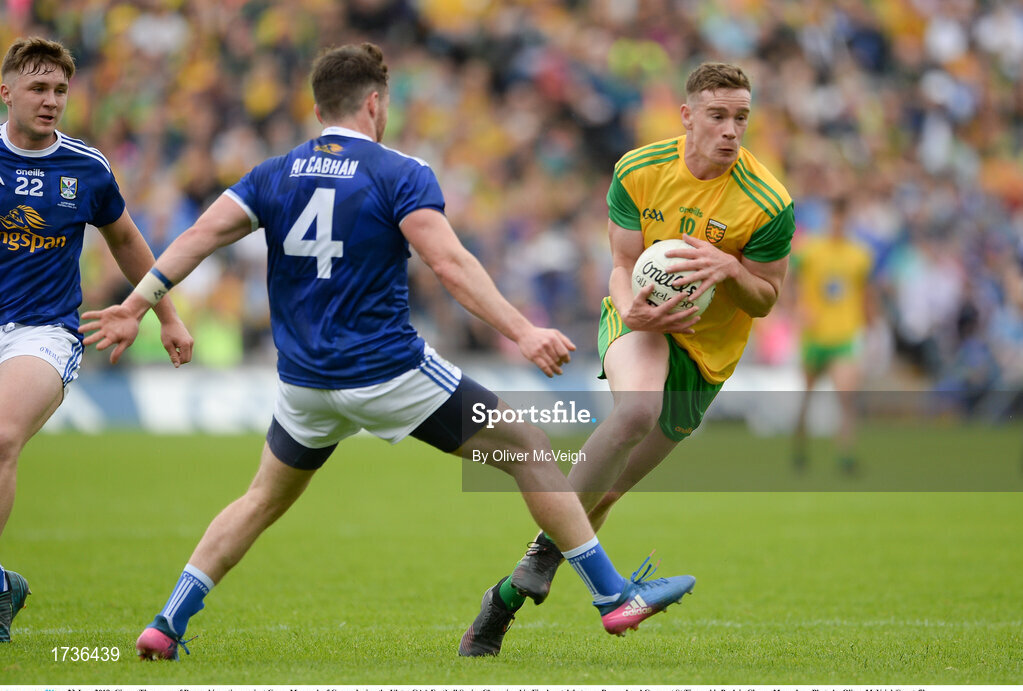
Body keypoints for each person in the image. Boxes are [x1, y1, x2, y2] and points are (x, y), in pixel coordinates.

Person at [79, 42, 696, 661]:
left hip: (305, 384)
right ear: (375, 103)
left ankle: (166, 621)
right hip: (389, 372)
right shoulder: (400, 172)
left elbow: (196, 237)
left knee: (261, 500)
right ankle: (613, 597)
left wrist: (137, 306)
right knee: (531, 448)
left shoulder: (271, 173)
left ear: (318, 106)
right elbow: (449, 263)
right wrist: (523, 331)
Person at [460, 62, 795, 656]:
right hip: (637, 316)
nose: (731, 130)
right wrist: (630, 309)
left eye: (741, 117)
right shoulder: (639, 170)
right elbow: (621, 263)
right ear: (687, 116)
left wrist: (731, 270)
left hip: (707, 355)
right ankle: (547, 560)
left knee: (606, 497)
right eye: (717, 116)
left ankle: (507, 596)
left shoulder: (767, 203)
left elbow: (767, 297)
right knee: (636, 411)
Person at [0, 36, 193, 643]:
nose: (51, 100)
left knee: (1, 434)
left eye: (60, 89)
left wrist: (166, 314)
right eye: (38, 88)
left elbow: (128, 242)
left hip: (46, 331)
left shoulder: (86, 168)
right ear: (6, 92)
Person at [791, 198, 873, 473]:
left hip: (844, 334)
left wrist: (869, 322)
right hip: (814, 335)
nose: (838, 224)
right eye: (835, 218)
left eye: (843, 218)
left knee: (846, 396)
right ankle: (799, 448)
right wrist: (797, 308)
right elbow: (790, 280)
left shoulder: (859, 255)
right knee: (807, 396)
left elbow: (865, 292)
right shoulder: (810, 250)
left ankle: (846, 456)